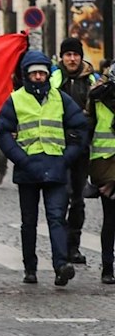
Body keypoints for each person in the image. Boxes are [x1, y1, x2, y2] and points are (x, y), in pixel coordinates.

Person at [0, 50, 89, 286]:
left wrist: (66, 158)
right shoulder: (15, 99)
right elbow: (3, 133)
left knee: (57, 218)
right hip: (27, 168)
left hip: (56, 167)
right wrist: (21, 158)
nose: (38, 77)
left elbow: (80, 128)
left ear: (48, 75)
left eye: (42, 73)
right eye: (34, 73)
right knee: (28, 222)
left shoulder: (60, 99)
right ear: (26, 75)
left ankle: (61, 265)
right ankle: (30, 268)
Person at [50, 37, 98, 265]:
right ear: (62, 57)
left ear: (81, 56)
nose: (71, 59)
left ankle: (73, 246)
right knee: (60, 199)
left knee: (77, 200)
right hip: (57, 147)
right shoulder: (53, 79)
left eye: (75, 55)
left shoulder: (92, 80)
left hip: (82, 148)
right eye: (68, 55)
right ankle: (60, 247)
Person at [85, 63, 115, 283]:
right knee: (110, 220)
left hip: (104, 166)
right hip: (106, 166)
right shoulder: (97, 98)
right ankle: (107, 267)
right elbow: (89, 129)